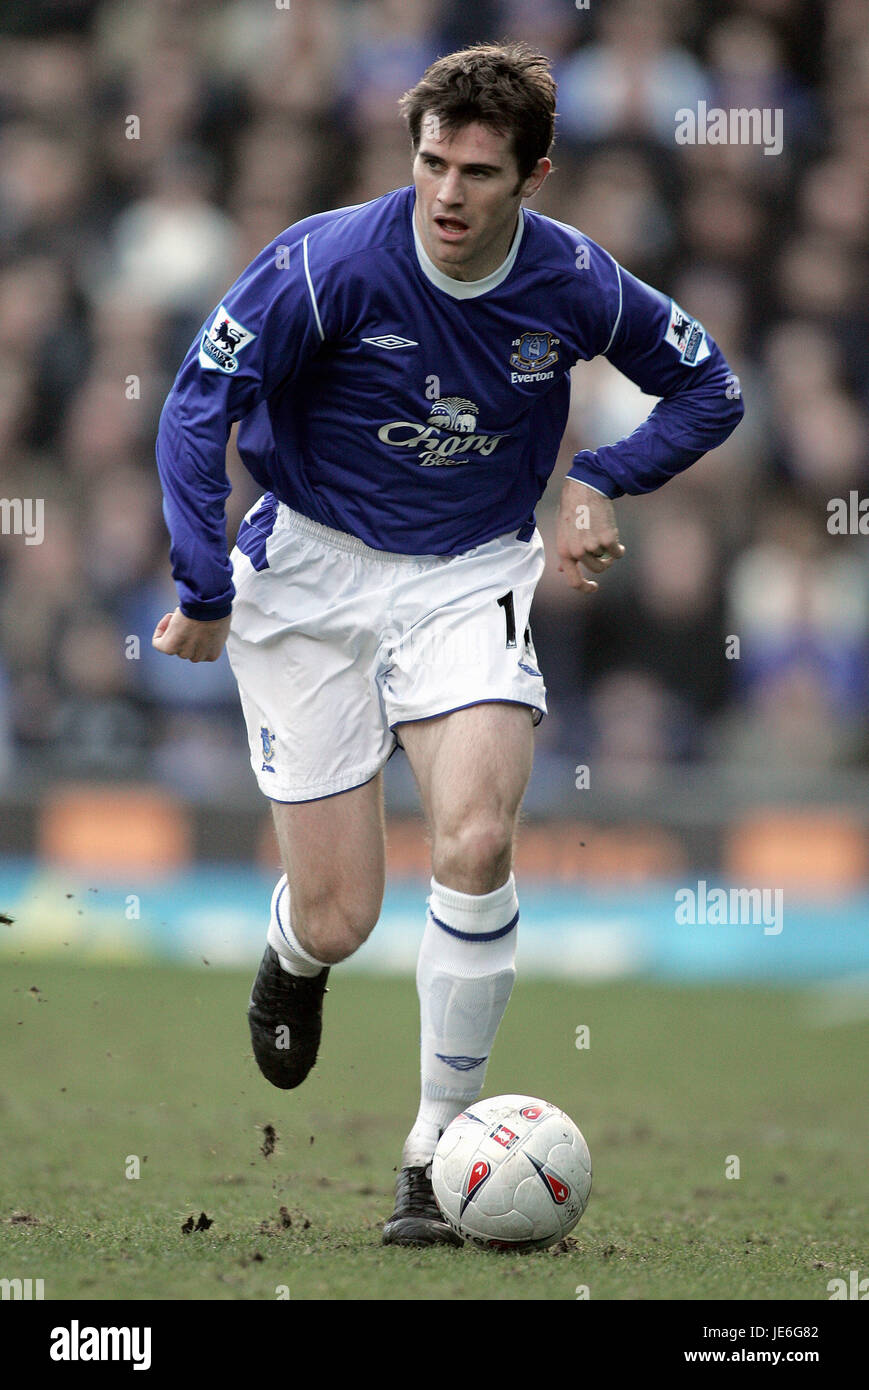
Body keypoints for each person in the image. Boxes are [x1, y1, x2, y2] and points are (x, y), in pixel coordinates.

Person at [152, 42, 743, 1246]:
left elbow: (708, 387)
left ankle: (434, 1152)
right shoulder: (326, 262)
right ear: (409, 155)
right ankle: (289, 950)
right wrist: (202, 582)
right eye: (431, 163)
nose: (449, 195)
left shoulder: (575, 280)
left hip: (471, 570)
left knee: (473, 838)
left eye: (479, 171)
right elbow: (191, 402)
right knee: (341, 918)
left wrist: (600, 479)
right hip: (310, 569)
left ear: (533, 172)